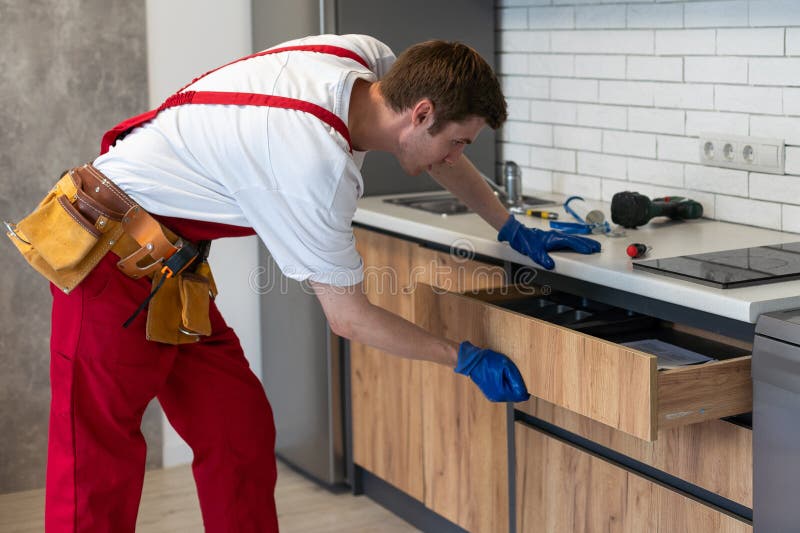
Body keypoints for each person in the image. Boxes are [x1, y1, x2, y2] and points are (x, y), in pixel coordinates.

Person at [18, 34, 600, 532]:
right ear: (420, 113)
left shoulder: (363, 60)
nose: (457, 154)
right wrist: (463, 357)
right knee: (96, 458)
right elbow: (349, 319)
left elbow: (435, 152)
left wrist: (508, 225)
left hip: (168, 263)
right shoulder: (316, 170)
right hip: (107, 258)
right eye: (459, 141)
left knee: (237, 430)